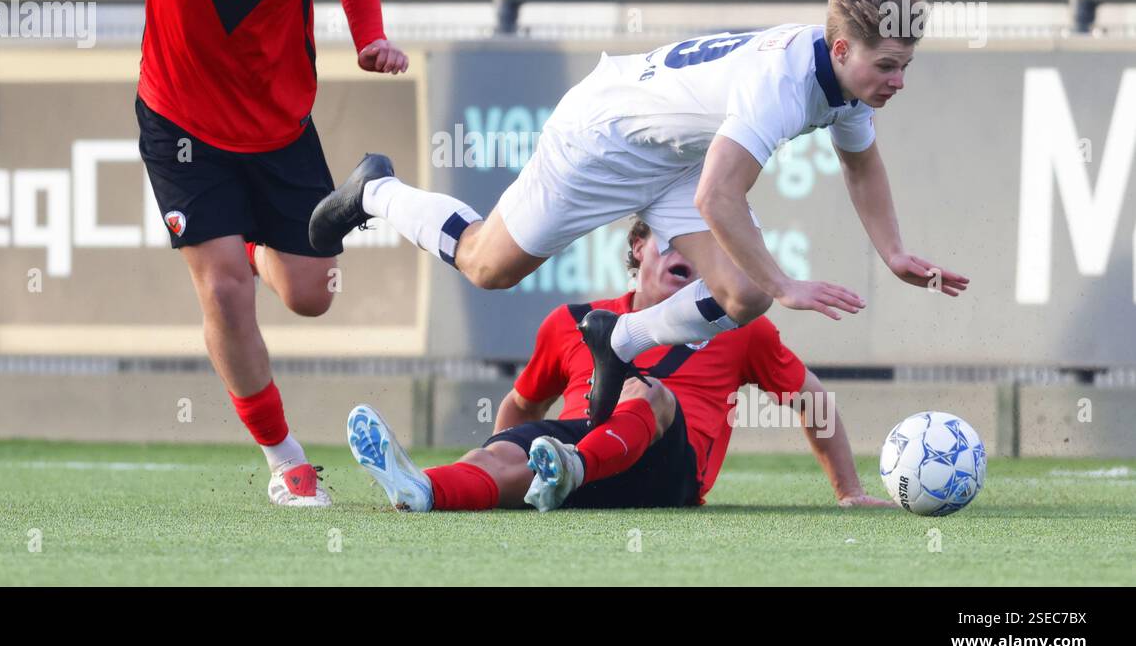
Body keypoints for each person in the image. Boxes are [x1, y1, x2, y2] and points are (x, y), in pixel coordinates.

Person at [0, 0, 409, 507]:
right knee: (223, 291)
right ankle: (287, 462)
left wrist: (370, 37)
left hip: (280, 130)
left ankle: (249, 239)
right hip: (182, 124)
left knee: (312, 297)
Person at [312, 0, 967, 425]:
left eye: (906, 64)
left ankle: (618, 341)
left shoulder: (849, 81)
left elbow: (861, 165)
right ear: (844, 47)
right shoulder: (781, 84)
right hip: (605, 139)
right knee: (488, 266)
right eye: (888, 65)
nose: (898, 80)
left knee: (744, 294)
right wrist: (790, 283)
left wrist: (894, 252)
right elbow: (719, 198)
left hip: (675, 155)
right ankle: (379, 190)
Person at [346, 219, 896, 512]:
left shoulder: (739, 325)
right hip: (576, 451)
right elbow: (521, 402)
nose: (694, 250)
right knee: (492, 458)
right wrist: (505, 450)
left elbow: (810, 398)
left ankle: (569, 468)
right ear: (638, 246)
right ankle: (424, 491)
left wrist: (848, 489)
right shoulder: (572, 320)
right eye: (677, 235)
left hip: (666, 473)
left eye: (708, 244)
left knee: (648, 394)